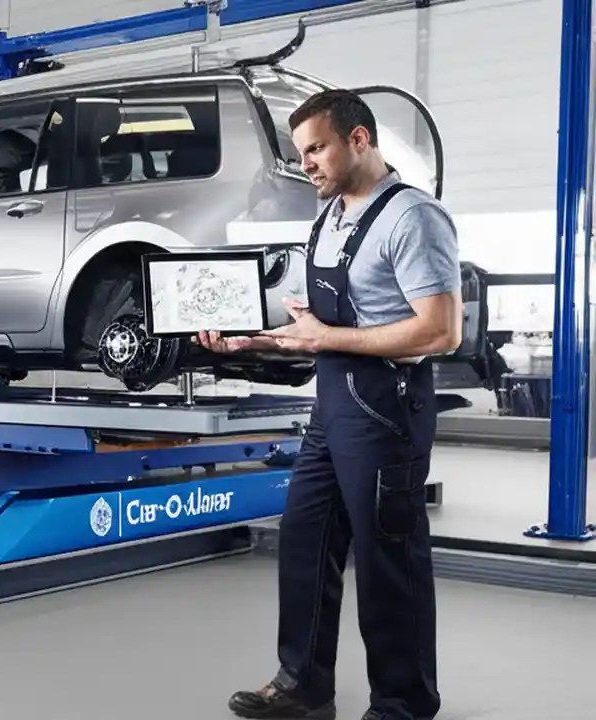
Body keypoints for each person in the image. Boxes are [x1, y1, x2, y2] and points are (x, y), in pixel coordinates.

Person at [199, 89, 462, 720]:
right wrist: (250, 341)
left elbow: (439, 331)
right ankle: (304, 684)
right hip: (332, 407)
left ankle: (402, 704)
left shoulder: (412, 218)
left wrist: (326, 339)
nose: (307, 163)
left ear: (359, 139)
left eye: (316, 148)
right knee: (306, 539)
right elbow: (314, 325)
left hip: (386, 410)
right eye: (302, 152)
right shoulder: (331, 217)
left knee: (386, 558)